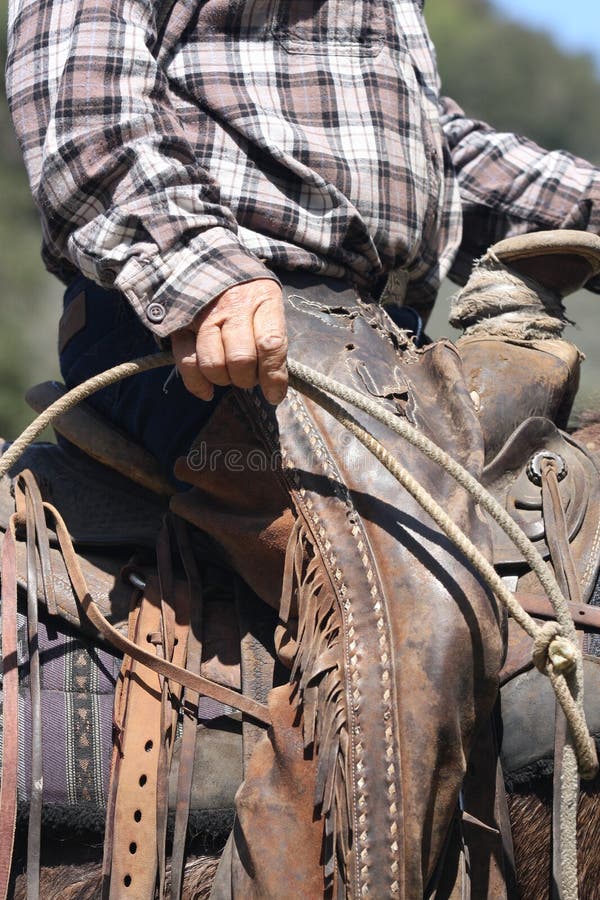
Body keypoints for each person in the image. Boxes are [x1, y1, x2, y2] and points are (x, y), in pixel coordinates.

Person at [6, 2, 600, 897]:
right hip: (197, 339)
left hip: (376, 349)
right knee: (415, 601)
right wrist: (202, 273)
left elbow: (429, 143)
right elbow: (84, 112)